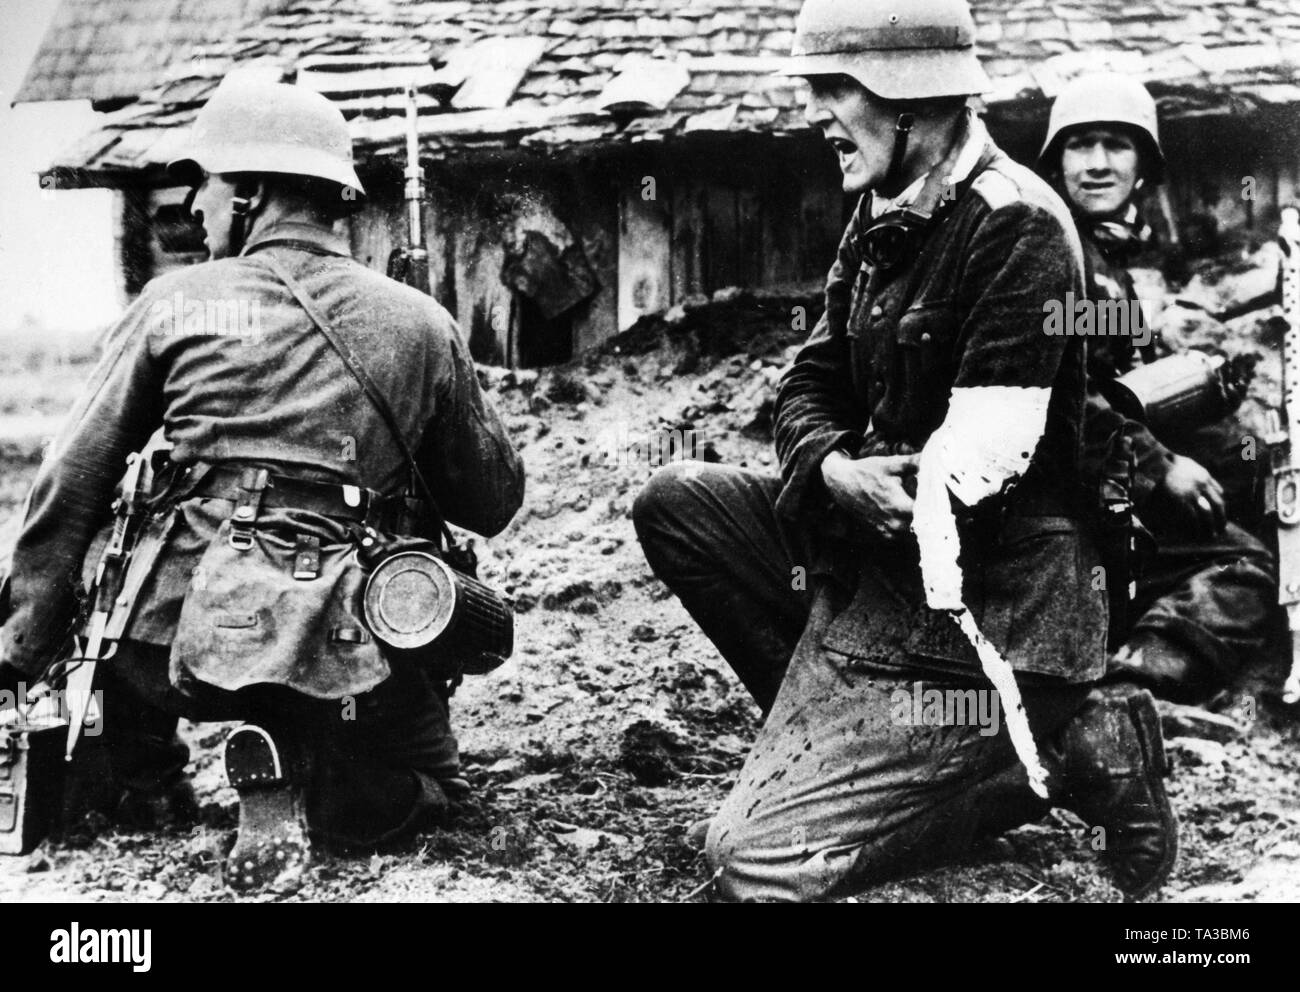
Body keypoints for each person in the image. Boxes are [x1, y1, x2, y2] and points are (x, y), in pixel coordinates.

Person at [634, 0, 1176, 902]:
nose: (816, 112)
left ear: (909, 100)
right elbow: (808, 384)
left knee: (751, 862)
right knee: (678, 502)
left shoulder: (1020, 224)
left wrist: (866, 488)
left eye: (835, 87)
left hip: (989, 616)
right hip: (878, 562)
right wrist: (834, 470)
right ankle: (858, 760)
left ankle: (1074, 741)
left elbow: (981, 467)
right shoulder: (884, 209)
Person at [0, 74, 524, 888]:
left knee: (115, 544)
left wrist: (24, 642)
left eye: (202, 185)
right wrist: (422, 360)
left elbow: (73, 477)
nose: (193, 209)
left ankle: (149, 784)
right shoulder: (417, 321)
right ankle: (334, 780)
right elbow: (490, 502)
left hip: (172, 650)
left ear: (247, 191)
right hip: (347, 644)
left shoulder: (171, 304)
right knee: (433, 788)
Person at [1038, 73, 1276, 702]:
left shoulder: (1110, 256)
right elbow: (1054, 397)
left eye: (1116, 145)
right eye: (1079, 145)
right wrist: (1162, 465)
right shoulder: (1049, 251)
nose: (1096, 164)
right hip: (1065, 492)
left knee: (1255, 472)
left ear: (1144, 164)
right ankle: (1138, 680)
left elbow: (1115, 378)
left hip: (1103, 466)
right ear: (1055, 162)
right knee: (1245, 567)